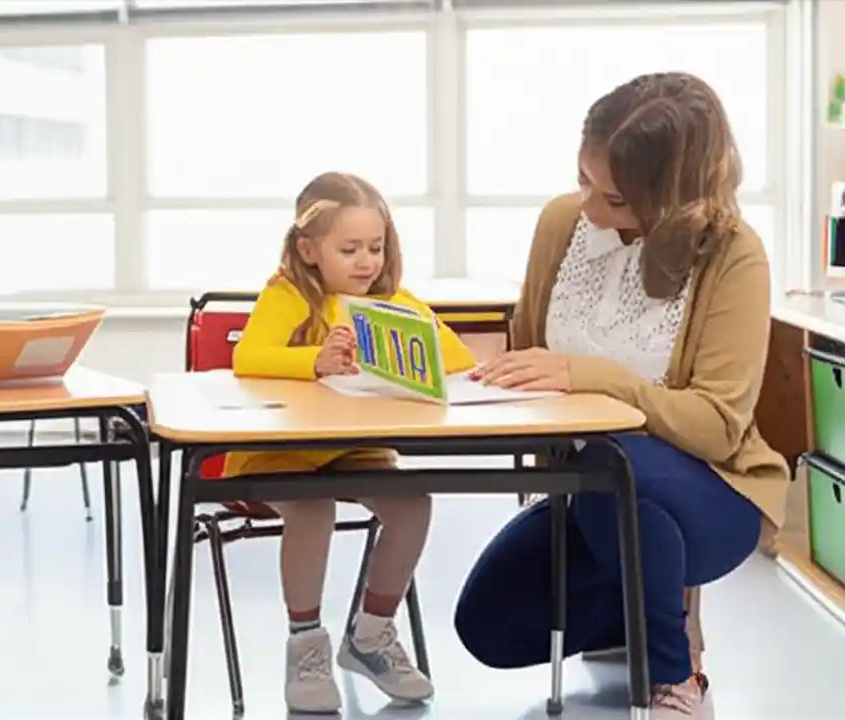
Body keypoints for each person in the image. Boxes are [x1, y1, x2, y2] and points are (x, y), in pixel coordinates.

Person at [452, 72, 789, 718]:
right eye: (583, 179)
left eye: (613, 197)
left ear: (675, 200)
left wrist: (593, 376)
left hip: (713, 492)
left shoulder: (734, 255)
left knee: (621, 465)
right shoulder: (561, 224)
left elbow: (718, 424)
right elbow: (531, 348)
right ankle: (642, 604)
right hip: (592, 493)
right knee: (489, 624)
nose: (588, 207)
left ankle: (675, 677)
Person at [229, 171, 476, 714]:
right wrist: (312, 360)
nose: (366, 261)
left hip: (355, 448)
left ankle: (370, 635)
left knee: (412, 505)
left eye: (376, 247)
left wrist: (413, 344)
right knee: (313, 508)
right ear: (309, 249)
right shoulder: (290, 295)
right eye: (350, 249)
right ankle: (306, 646)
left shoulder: (392, 300)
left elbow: (458, 357)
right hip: (277, 451)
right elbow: (247, 357)